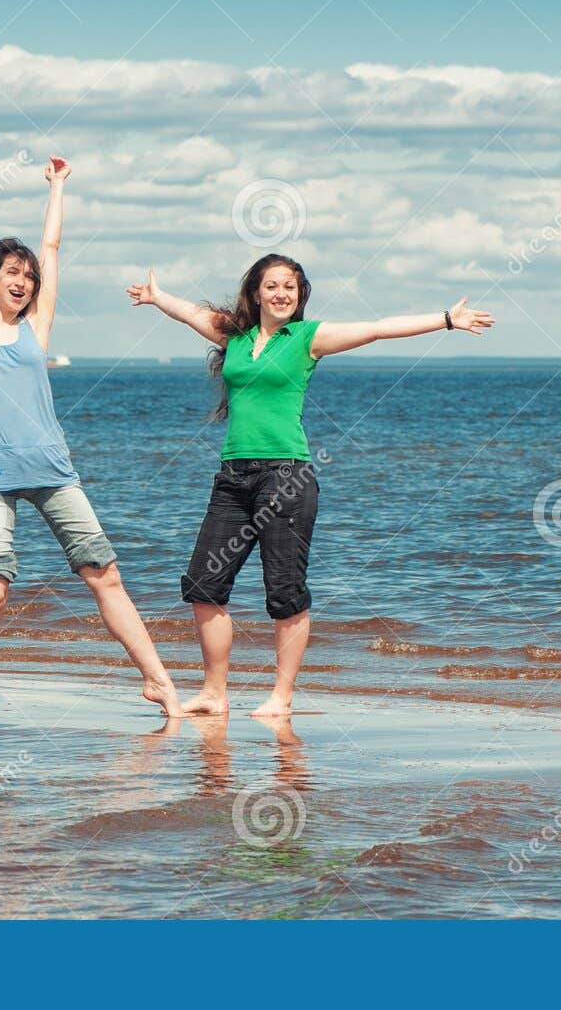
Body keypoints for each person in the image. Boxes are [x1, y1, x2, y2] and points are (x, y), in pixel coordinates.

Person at [127, 254, 493, 717]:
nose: (282, 293)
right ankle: (215, 693)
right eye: (273, 285)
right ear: (256, 292)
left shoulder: (306, 338)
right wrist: (158, 297)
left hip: (285, 478)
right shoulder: (234, 336)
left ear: (300, 295)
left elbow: (377, 329)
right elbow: (190, 313)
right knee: (204, 583)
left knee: (284, 591)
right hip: (233, 478)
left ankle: (281, 697)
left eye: (291, 287)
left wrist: (445, 320)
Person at [0, 155, 183, 723]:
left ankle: (159, 683)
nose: (22, 281)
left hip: (53, 471)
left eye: (28, 276)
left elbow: (52, 248)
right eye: (12, 272)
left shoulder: (38, 326)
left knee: (104, 574)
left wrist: (57, 186)